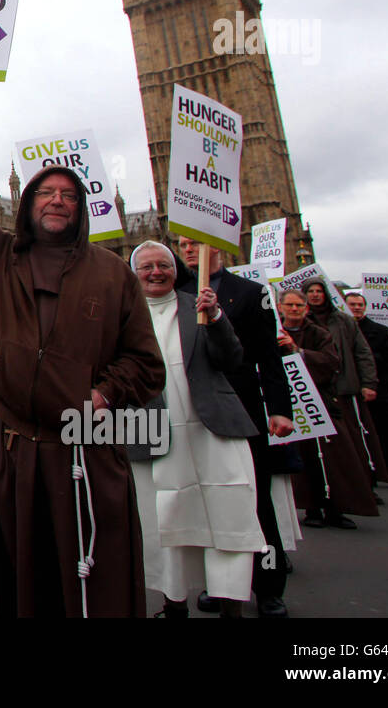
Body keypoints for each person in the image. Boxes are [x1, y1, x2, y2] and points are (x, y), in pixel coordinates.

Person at [0, 83, 165, 617]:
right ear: (28, 201)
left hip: (85, 450)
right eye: (45, 193)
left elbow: (148, 367)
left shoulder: (113, 274)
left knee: (89, 578)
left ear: (81, 209)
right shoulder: (1, 255)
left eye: (68, 196)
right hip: (13, 449)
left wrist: (104, 395)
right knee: (17, 579)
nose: (56, 201)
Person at [127, 242, 263, 618]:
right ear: (133, 273)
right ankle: (175, 604)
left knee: (228, 515)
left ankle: (230, 604)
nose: (155, 272)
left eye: (162, 265)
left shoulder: (198, 306)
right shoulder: (121, 318)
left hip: (211, 430)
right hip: (152, 432)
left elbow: (232, 359)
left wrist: (217, 318)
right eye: (146, 267)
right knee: (164, 520)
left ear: (175, 271)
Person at [173, 236, 294, 618]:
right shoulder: (177, 292)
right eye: (182, 245)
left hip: (243, 407)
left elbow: (269, 357)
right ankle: (219, 585)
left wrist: (279, 408)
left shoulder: (251, 292)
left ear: (218, 247)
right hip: (197, 410)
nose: (188, 250)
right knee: (209, 502)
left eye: (195, 244)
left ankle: (269, 588)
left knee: (256, 503)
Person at [279, 289, 377, 526]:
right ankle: (312, 507)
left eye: (299, 306)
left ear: (306, 309)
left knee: (334, 456)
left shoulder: (319, 333)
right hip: (291, 401)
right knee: (303, 456)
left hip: (320, 400)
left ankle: (336, 508)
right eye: (290, 305)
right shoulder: (274, 332)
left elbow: (332, 362)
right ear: (280, 308)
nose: (294, 310)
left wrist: (298, 351)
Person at [304, 280, 388, 493]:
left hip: (344, 388)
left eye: (319, 291)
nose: (315, 295)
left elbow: (362, 353)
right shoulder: (299, 321)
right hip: (313, 391)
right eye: (310, 291)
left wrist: (369, 383)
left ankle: (364, 485)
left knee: (353, 441)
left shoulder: (344, 321)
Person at [345, 292, 388, 491]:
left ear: (364, 307)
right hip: (351, 394)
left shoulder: (382, 332)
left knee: (387, 437)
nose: (356, 308)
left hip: (379, 394)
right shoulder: (340, 331)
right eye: (352, 305)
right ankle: (368, 479)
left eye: (359, 304)